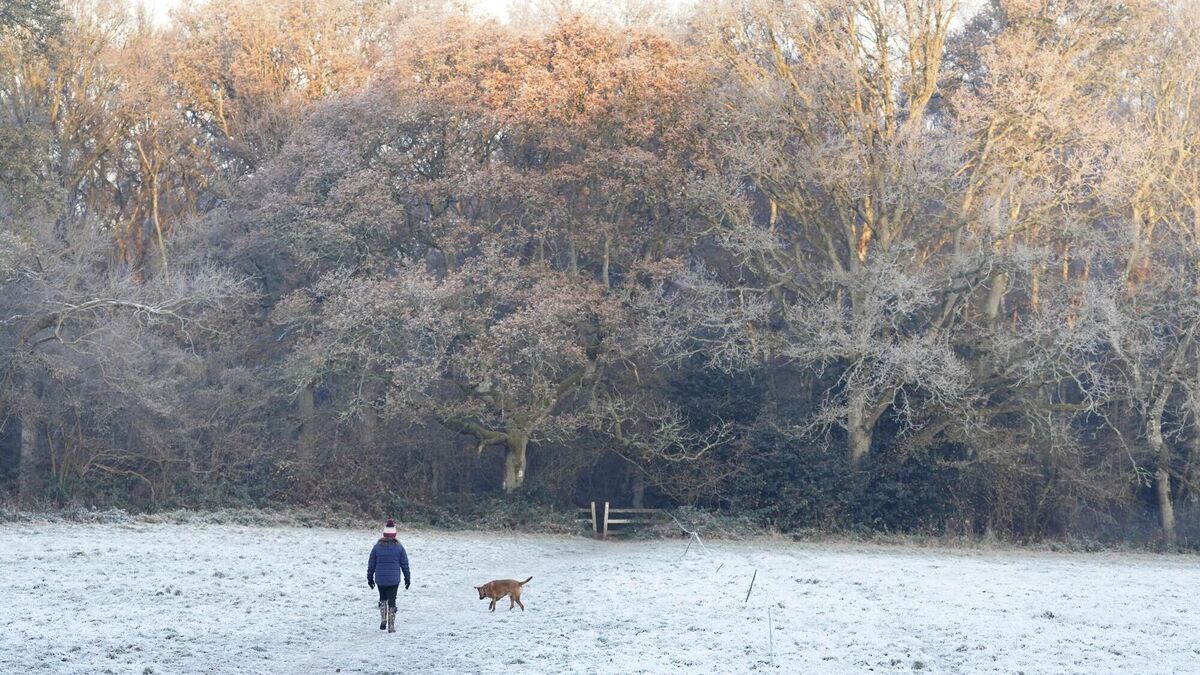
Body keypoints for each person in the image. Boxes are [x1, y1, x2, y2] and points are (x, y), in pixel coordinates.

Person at [367, 519, 410, 633]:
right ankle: (391, 626)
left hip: (380, 579)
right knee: (392, 601)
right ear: (394, 534)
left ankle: (383, 619)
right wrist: (407, 577)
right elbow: (404, 564)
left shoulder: (377, 547)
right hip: (394, 580)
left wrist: (370, 577)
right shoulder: (399, 548)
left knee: (382, 598)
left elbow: (371, 563)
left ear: (384, 534)